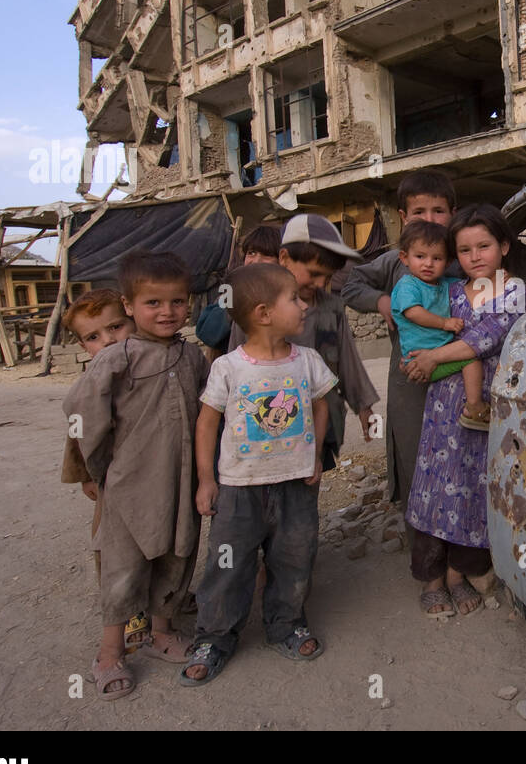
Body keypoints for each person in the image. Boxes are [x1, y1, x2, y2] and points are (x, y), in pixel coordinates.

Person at [180, 263, 337, 685]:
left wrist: (316, 454)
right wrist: (206, 479)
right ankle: (214, 636)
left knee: (294, 557)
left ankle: (286, 623)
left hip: (295, 483)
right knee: (227, 564)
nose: (304, 305)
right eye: (294, 299)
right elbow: (207, 422)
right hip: (238, 489)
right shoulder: (229, 368)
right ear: (265, 313)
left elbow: (321, 404)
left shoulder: (308, 361)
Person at [63, 251, 209, 700]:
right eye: (153, 303)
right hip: (129, 485)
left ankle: (161, 631)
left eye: (178, 302)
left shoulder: (194, 359)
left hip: (182, 480)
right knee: (124, 567)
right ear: (129, 305)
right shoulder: (116, 359)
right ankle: (110, 651)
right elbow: (80, 413)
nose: (167, 312)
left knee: (177, 553)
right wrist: (99, 469)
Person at [399, 205, 526, 617]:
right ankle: (431, 579)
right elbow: (416, 324)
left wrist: (433, 358)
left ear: (503, 246)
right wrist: (418, 358)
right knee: (434, 486)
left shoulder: (514, 291)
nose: (475, 256)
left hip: (485, 407)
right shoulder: (450, 291)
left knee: (473, 488)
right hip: (441, 408)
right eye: (465, 249)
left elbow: (487, 336)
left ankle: (459, 574)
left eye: (484, 246)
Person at [341, 171, 458, 506]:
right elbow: (351, 285)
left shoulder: (463, 256)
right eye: (419, 212)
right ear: (404, 218)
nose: (430, 219)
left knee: (458, 451)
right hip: (408, 379)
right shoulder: (397, 261)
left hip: (460, 373)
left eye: (439, 211)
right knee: (413, 450)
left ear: (452, 213)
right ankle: (418, 536)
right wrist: (383, 302)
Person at [229, 215, 378, 471]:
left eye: (328, 277)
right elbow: (233, 368)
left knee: (308, 486)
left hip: (320, 425)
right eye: (314, 274)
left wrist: (365, 408)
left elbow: (347, 361)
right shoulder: (254, 310)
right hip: (266, 427)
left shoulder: (331, 308)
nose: (321, 284)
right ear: (284, 258)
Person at [58, 288, 149, 650]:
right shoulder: (91, 384)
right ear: (83, 347)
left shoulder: (152, 367)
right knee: (112, 545)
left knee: (159, 541)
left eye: (116, 327)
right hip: (112, 479)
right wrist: (85, 476)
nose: (108, 340)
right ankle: (128, 610)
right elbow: (77, 434)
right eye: (93, 337)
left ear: (132, 321)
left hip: (156, 472)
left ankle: (160, 599)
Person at [389, 219, 487, 430]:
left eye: (437, 258)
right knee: (471, 360)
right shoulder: (408, 285)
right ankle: (475, 408)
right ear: (404, 258)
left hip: (436, 353)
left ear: (448, 262)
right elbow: (413, 312)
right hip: (418, 359)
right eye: (420, 256)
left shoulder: (445, 284)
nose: (428, 264)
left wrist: (499, 277)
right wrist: (445, 323)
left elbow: (471, 285)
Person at [195, 225, 281, 355]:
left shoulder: (289, 295)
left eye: (267, 254)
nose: (256, 261)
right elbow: (207, 334)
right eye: (251, 253)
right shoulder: (231, 291)